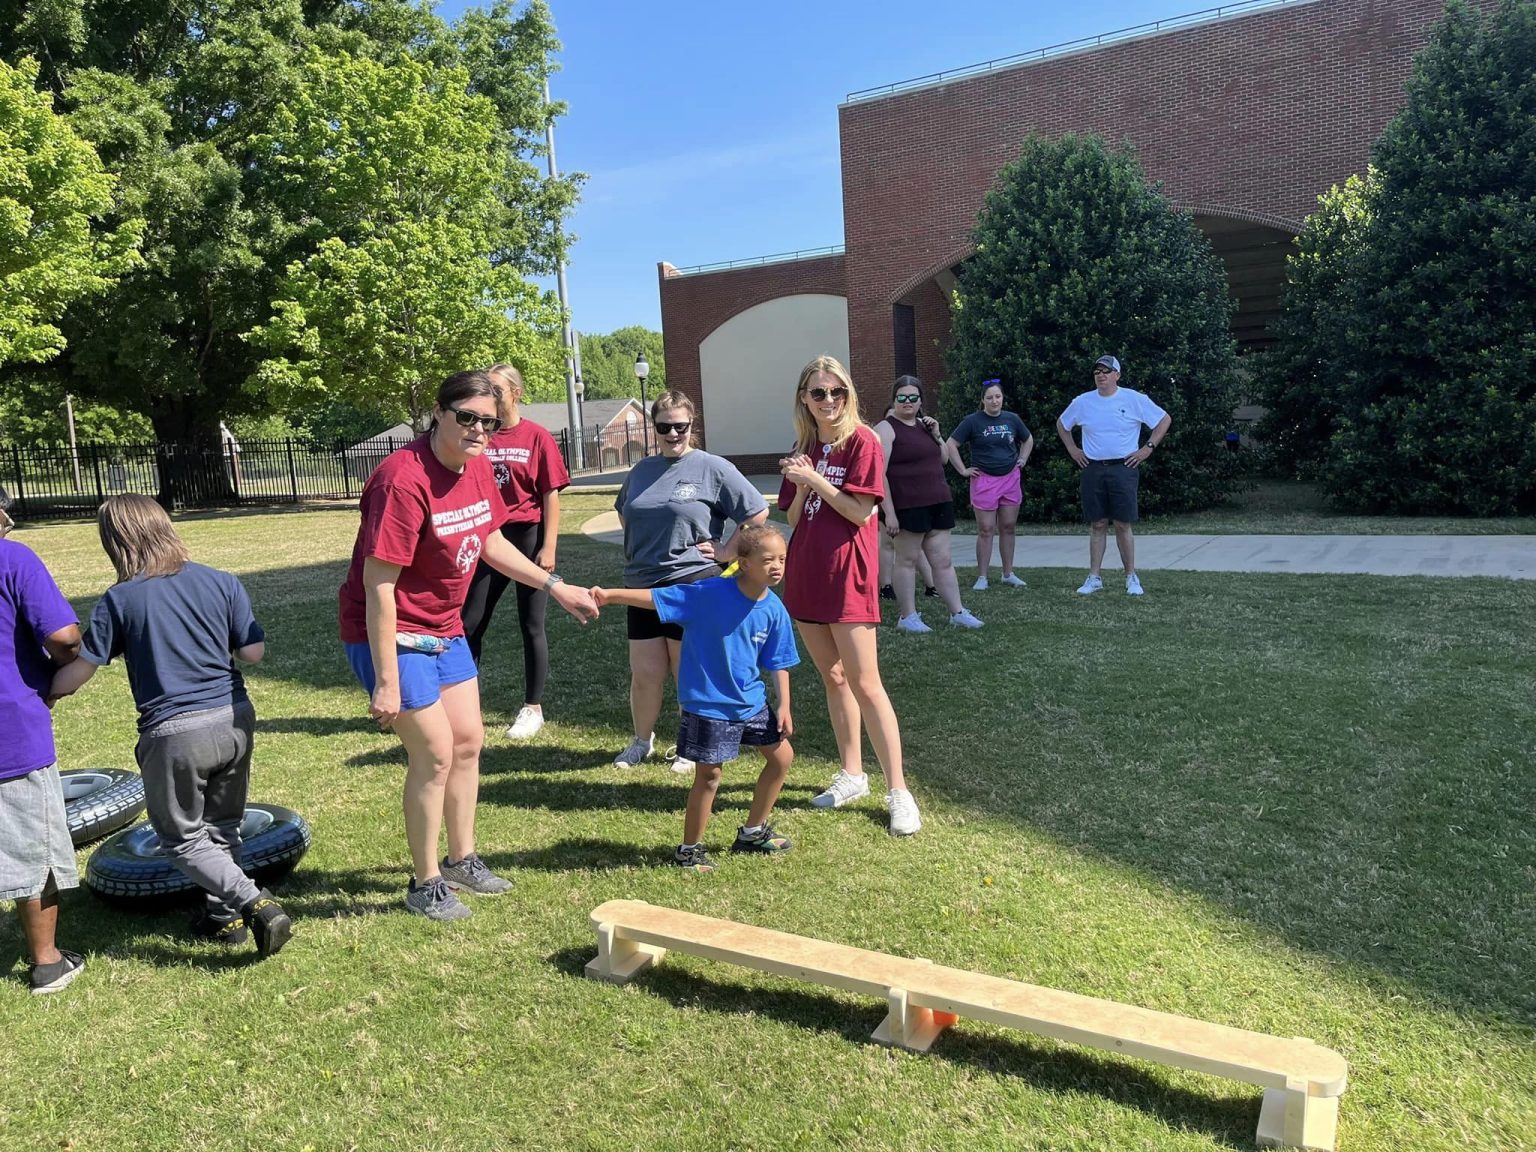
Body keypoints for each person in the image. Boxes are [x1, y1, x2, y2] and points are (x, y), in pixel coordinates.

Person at [337, 370, 598, 922]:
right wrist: (386, 679)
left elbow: (490, 539)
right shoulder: (401, 481)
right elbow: (378, 584)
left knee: (469, 742)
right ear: (440, 412)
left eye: (490, 420)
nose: (480, 429)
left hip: (444, 626)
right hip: (391, 631)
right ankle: (425, 881)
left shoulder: (477, 465)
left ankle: (462, 859)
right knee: (432, 753)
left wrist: (555, 585)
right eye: (468, 418)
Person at [49, 494, 293, 957]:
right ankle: (226, 921)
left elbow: (78, 674)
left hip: (175, 733)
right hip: (234, 718)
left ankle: (255, 904)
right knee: (223, 826)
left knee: (181, 838)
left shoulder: (121, 599)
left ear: (117, 543)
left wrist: (40, 693)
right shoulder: (222, 581)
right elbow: (253, 653)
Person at [592, 522, 798, 873]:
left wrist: (784, 704)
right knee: (709, 776)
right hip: (708, 704)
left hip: (750, 702)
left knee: (781, 759)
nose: (776, 566)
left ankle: (752, 832)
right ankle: (689, 849)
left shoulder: (774, 609)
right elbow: (657, 599)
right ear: (744, 563)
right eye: (767, 560)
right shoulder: (709, 593)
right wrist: (610, 595)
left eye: (781, 559)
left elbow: (778, 661)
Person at [778, 355, 921, 836]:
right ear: (804, 398)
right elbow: (795, 519)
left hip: (849, 575)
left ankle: (898, 791)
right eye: (818, 393)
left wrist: (814, 478)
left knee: (866, 682)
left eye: (837, 391)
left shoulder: (864, 442)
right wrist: (800, 483)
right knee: (833, 677)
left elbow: (860, 513)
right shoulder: (803, 445)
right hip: (806, 574)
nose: (829, 401)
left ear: (849, 394)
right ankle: (852, 774)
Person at [612, 391, 768, 774]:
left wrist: (729, 551)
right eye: (664, 427)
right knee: (645, 672)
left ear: (691, 426)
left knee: (689, 670)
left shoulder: (711, 467)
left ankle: (689, 745)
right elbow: (625, 512)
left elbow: (757, 511)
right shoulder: (641, 471)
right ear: (655, 427)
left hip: (693, 582)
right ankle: (641, 741)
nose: (673, 434)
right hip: (643, 585)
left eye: (680, 426)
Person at [0, 485, 86, 993]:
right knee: (34, 848)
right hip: (11, 731)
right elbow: (64, 637)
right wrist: (60, 672)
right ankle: (48, 961)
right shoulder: (13, 557)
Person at [459, 363, 570, 741]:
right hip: (489, 537)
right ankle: (463, 702)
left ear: (516, 393)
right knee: (470, 621)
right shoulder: (479, 436)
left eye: (497, 390)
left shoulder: (536, 436)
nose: (491, 397)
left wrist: (548, 546)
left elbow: (549, 494)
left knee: (531, 623)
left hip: (527, 536)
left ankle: (532, 707)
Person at [1055, 355, 1172, 596]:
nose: (1101, 375)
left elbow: (1163, 419)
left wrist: (1147, 448)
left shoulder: (1134, 399)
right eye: (1097, 371)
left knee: (1122, 523)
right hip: (1093, 468)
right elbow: (1062, 424)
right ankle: (1094, 577)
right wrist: (1073, 449)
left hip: (1123, 468)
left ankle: (1131, 577)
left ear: (1117, 375)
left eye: (1106, 371)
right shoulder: (1083, 402)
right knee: (1097, 523)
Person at [874, 376, 982, 633]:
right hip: (906, 505)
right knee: (907, 561)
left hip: (938, 500)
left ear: (921, 400)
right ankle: (907, 616)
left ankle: (957, 612)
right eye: (902, 397)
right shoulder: (886, 429)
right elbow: (879, 473)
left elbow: (943, 459)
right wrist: (889, 512)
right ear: (894, 399)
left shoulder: (926, 425)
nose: (908, 402)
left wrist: (937, 435)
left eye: (913, 397)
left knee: (943, 561)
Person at [946, 379, 1033, 591]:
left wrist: (1022, 459)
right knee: (986, 529)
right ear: (982, 400)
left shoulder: (1012, 419)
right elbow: (951, 444)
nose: (994, 401)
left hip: (1010, 478)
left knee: (1008, 527)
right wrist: (963, 470)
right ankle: (982, 576)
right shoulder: (973, 421)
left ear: (1002, 398)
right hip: (984, 480)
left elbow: (1028, 439)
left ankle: (1008, 573)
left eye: (998, 397)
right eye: (989, 397)